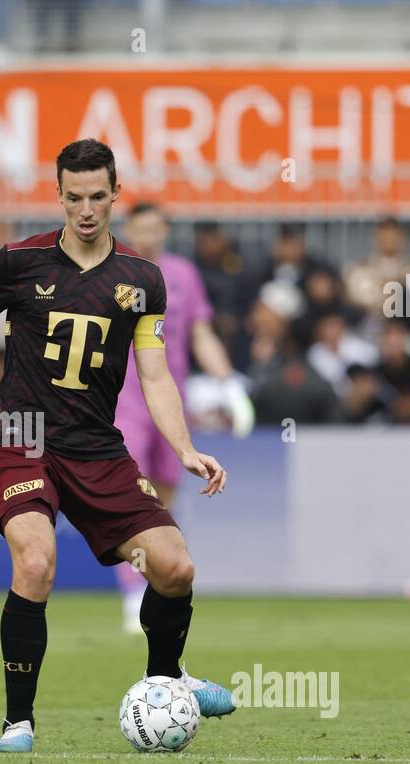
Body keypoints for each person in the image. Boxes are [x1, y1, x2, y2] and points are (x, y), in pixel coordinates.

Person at [0, 138, 235, 756]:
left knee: (174, 566)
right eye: (74, 197)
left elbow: (154, 374)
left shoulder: (142, 281)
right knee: (35, 560)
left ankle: (166, 679)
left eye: (98, 196)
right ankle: (17, 721)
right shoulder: (18, 263)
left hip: (98, 445)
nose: (86, 209)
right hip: (22, 436)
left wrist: (184, 448)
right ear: (59, 196)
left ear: (115, 194)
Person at [111, 201, 252, 633]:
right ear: (129, 228)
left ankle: (157, 583)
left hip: (170, 403)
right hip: (122, 400)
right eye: (141, 227)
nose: (148, 235)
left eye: (156, 228)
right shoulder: (111, 269)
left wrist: (229, 383)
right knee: (132, 494)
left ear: (166, 230)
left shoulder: (183, 275)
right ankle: (133, 591)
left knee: (165, 497)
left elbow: (200, 333)